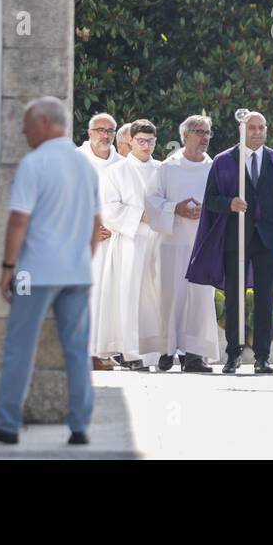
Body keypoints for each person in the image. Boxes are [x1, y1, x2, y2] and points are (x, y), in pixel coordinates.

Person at [0, 97, 103, 445]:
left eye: (28, 123)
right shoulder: (86, 166)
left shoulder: (34, 163)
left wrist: (7, 266)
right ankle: (79, 425)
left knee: (19, 346)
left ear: (45, 123)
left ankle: (6, 422)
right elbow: (96, 224)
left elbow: (19, 221)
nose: (23, 130)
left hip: (36, 272)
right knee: (76, 350)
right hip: (76, 272)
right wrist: (83, 260)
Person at [187, 111, 273, 375]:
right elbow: (210, 199)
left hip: (267, 241)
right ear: (242, 130)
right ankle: (233, 355)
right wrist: (229, 203)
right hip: (235, 240)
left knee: (264, 299)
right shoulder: (224, 161)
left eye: (262, 127)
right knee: (235, 299)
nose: (258, 132)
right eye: (253, 128)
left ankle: (262, 357)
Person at [146, 115, 221, 372]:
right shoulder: (168, 168)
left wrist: (209, 212)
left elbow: (225, 200)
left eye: (208, 132)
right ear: (185, 135)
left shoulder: (215, 168)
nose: (205, 137)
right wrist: (174, 209)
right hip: (172, 243)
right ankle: (167, 350)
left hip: (203, 245)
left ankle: (195, 356)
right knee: (171, 298)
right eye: (200, 132)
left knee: (200, 300)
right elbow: (151, 201)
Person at [99, 120, 165, 369]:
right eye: (141, 141)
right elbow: (109, 209)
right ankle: (131, 352)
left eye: (151, 141)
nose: (146, 146)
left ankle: (156, 352)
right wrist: (140, 216)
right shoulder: (115, 172)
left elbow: (172, 202)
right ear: (130, 141)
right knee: (129, 295)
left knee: (158, 297)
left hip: (160, 241)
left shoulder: (163, 170)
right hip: (130, 242)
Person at [78, 112, 118, 371]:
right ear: (89, 133)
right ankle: (85, 352)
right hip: (83, 241)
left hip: (115, 240)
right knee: (87, 295)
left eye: (110, 130)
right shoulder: (76, 160)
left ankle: (106, 350)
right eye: (100, 130)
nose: (105, 135)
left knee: (111, 296)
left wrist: (113, 226)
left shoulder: (122, 163)